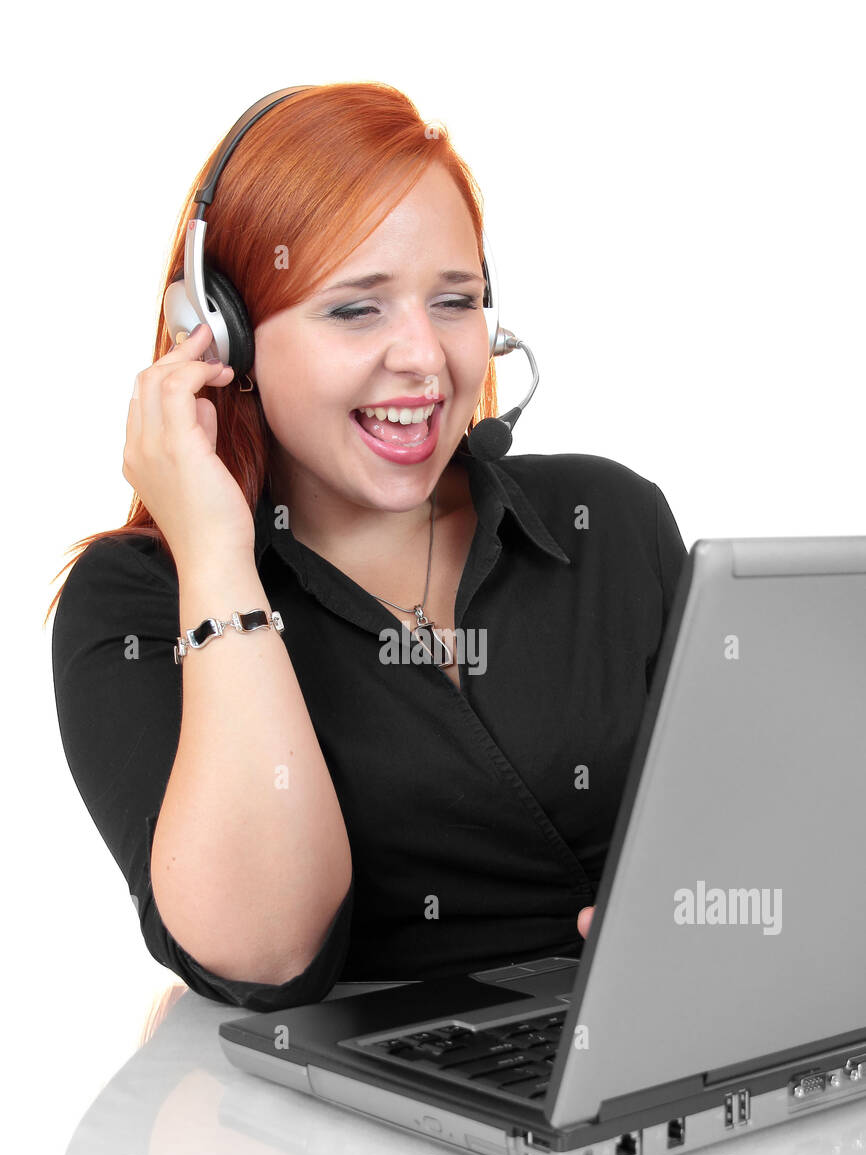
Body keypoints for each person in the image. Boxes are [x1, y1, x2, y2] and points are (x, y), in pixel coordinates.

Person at [49, 83, 687, 1012]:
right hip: (318, 1139)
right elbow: (265, 951)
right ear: (218, 337)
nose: (426, 358)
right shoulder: (139, 602)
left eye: (455, 300)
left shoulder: (611, 518)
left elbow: (760, 824)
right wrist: (219, 558)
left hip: (661, 1086)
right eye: (357, 309)